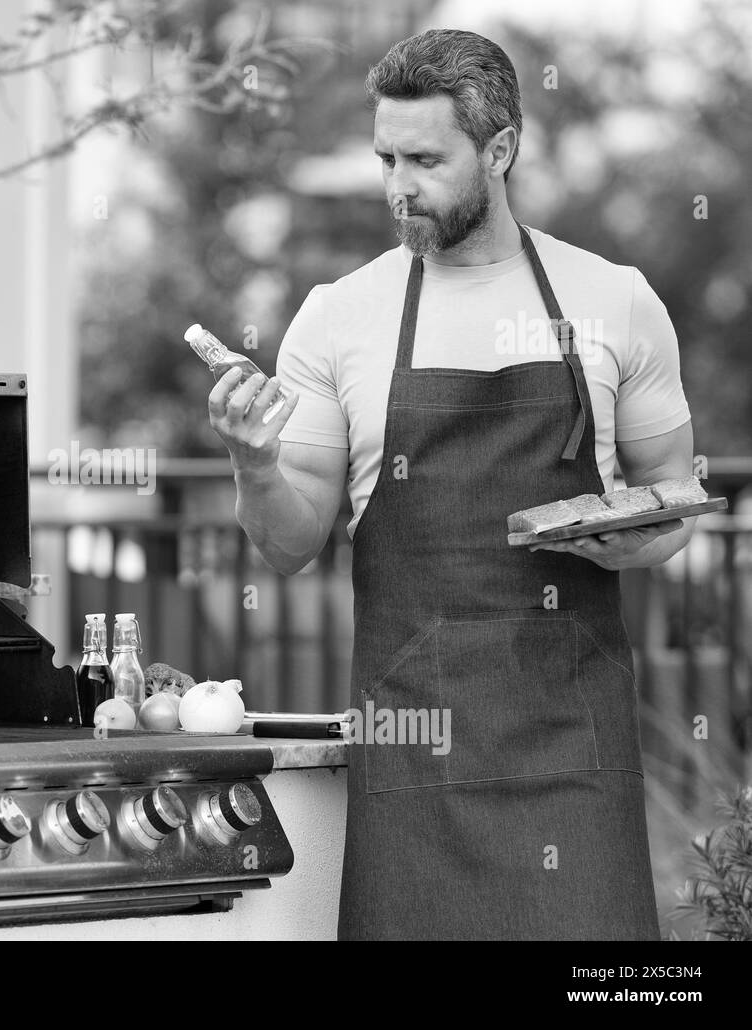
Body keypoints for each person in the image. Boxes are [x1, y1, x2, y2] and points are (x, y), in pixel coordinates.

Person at [208, 28, 695, 940]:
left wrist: (640, 536)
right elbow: (288, 546)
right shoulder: (338, 315)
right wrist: (254, 460)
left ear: (501, 149)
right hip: (411, 746)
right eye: (386, 156)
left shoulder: (615, 300)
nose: (399, 185)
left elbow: (672, 495)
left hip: (571, 747)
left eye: (426, 159)